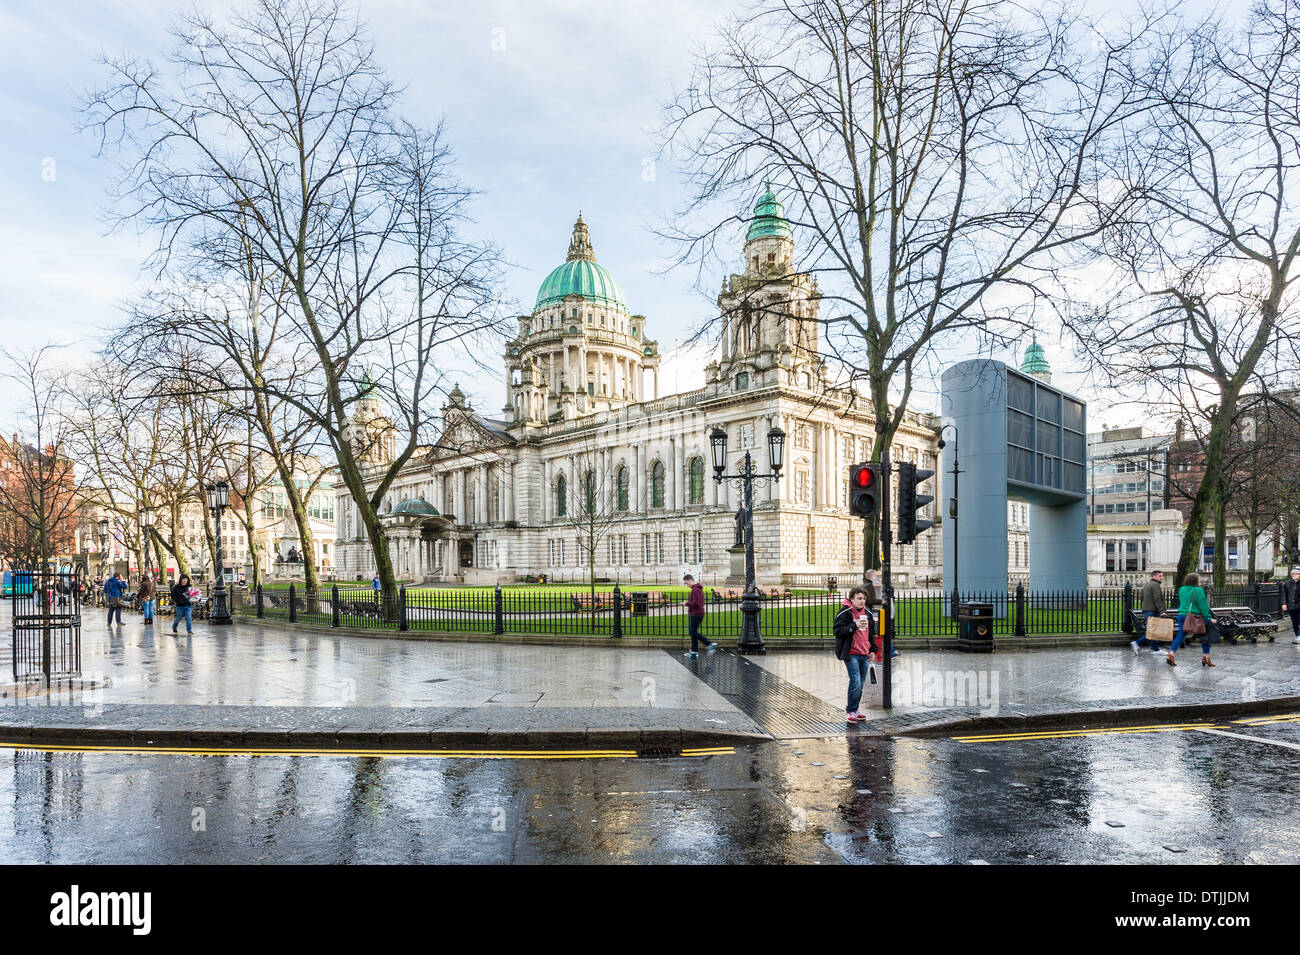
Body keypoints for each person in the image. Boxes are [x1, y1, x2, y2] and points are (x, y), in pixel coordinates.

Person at [834, 587, 877, 724]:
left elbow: (871, 634)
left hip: (864, 653)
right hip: (851, 653)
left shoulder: (868, 613)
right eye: (859, 598)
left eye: (864, 599)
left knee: (861, 684)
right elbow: (838, 631)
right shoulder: (845, 613)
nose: (862, 601)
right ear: (852, 599)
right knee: (855, 682)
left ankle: (856, 710)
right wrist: (854, 625)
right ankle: (850, 711)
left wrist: (873, 650)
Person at [1169, 572, 1216, 668]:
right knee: (1204, 636)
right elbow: (1203, 606)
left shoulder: (1182, 589)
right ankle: (1206, 658)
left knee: (1180, 636)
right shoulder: (1198, 590)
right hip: (1195, 618)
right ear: (1196, 581)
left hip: (1182, 615)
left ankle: (1171, 654)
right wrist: (1208, 618)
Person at [1132, 569, 1169, 655]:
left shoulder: (1146, 585)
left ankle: (1155, 648)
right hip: (1153, 611)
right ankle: (1137, 643)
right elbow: (1157, 599)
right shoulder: (1155, 585)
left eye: (1162, 576)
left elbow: (1141, 598)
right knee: (1152, 631)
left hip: (1147, 610)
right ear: (1154, 576)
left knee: (1153, 630)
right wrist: (1161, 611)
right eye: (1160, 576)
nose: (1162, 578)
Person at [681, 574, 715, 657]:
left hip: (696, 613)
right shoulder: (697, 589)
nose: (686, 585)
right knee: (693, 632)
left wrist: (686, 603)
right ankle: (694, 652)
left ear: (690, 580)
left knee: (692, 632)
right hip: (697, 613)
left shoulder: (695, 590)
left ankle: (709, 644)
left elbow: (696, 603)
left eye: (686, 583)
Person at [1281, 567, 1300, 645]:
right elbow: (1283, 594)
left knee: (1299, 620)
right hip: (1290, 606)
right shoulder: (1288, 583)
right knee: (1294, 622)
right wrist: (1284, 603)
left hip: (1299, 606)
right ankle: (1298, 636)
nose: (1294, 575)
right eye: (1293, 574)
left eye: (1296, 574)